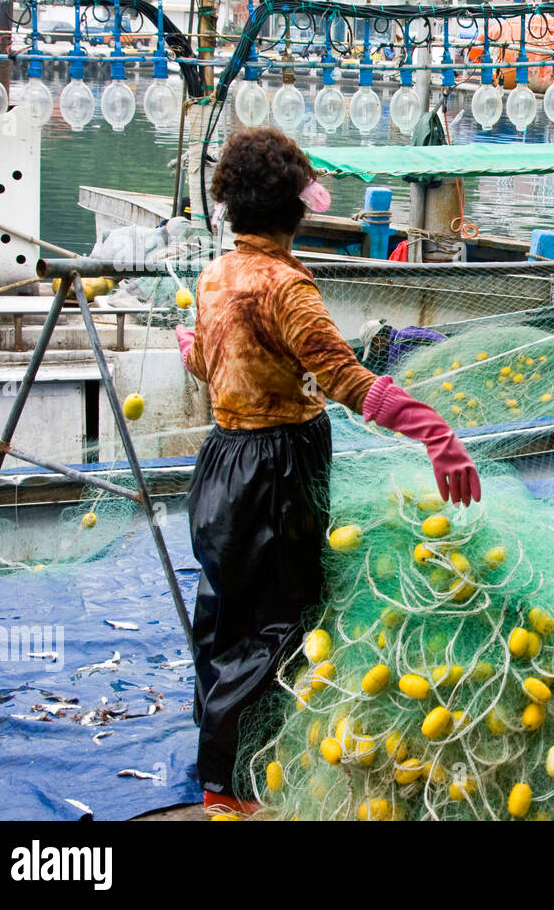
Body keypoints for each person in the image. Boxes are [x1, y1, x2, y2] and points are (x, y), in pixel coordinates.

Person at [174, 127, 481, 813]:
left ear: (230, 206)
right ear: (296, 212)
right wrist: (436, 433)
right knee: (278, 624)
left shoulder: (214, 275)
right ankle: (231, 789)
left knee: (224, 614)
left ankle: (218, 754)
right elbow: (347, 381)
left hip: (220, 463)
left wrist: (189, 347)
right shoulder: (286, 288)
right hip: (277, 470)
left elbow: (209, 364)